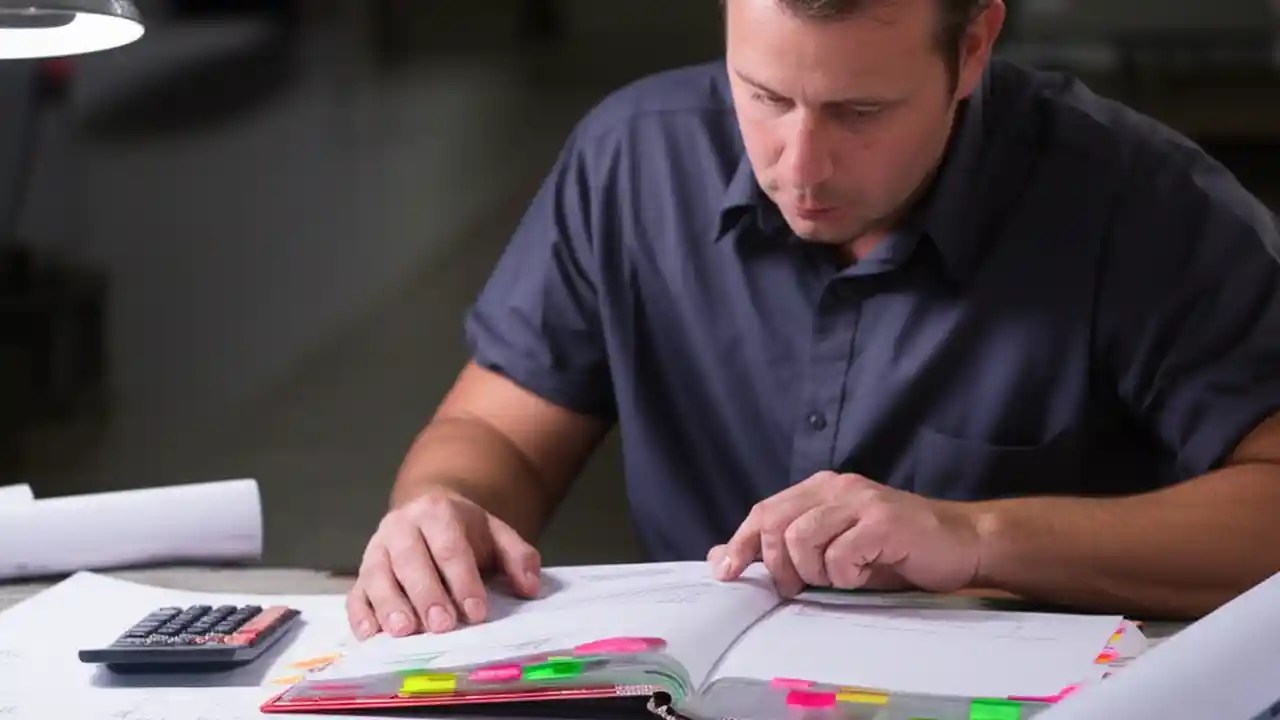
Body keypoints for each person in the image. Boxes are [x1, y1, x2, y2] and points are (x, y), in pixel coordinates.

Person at [346, 0, 1280, 640]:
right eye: (763, 95)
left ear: (975, 46)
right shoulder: (633, 160)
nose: (799, 166)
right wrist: (446, 510)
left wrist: (976, 539)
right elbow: (491, 432)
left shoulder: (1140, 204)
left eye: (860, 110)